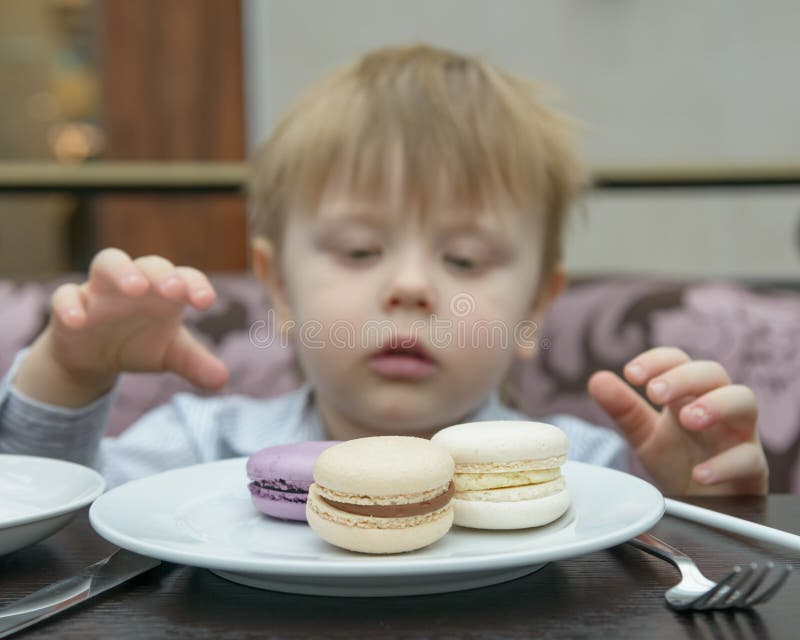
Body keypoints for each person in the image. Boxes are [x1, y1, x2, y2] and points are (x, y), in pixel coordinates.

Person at [0, 45, 767, 495]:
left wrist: (696, 504)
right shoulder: (206, 453)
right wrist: (70, 376)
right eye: (361, 251)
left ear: (536, 303)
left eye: (464, 258)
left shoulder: (586, 475)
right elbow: (42, 527)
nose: (410, 286)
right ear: (277, 288)